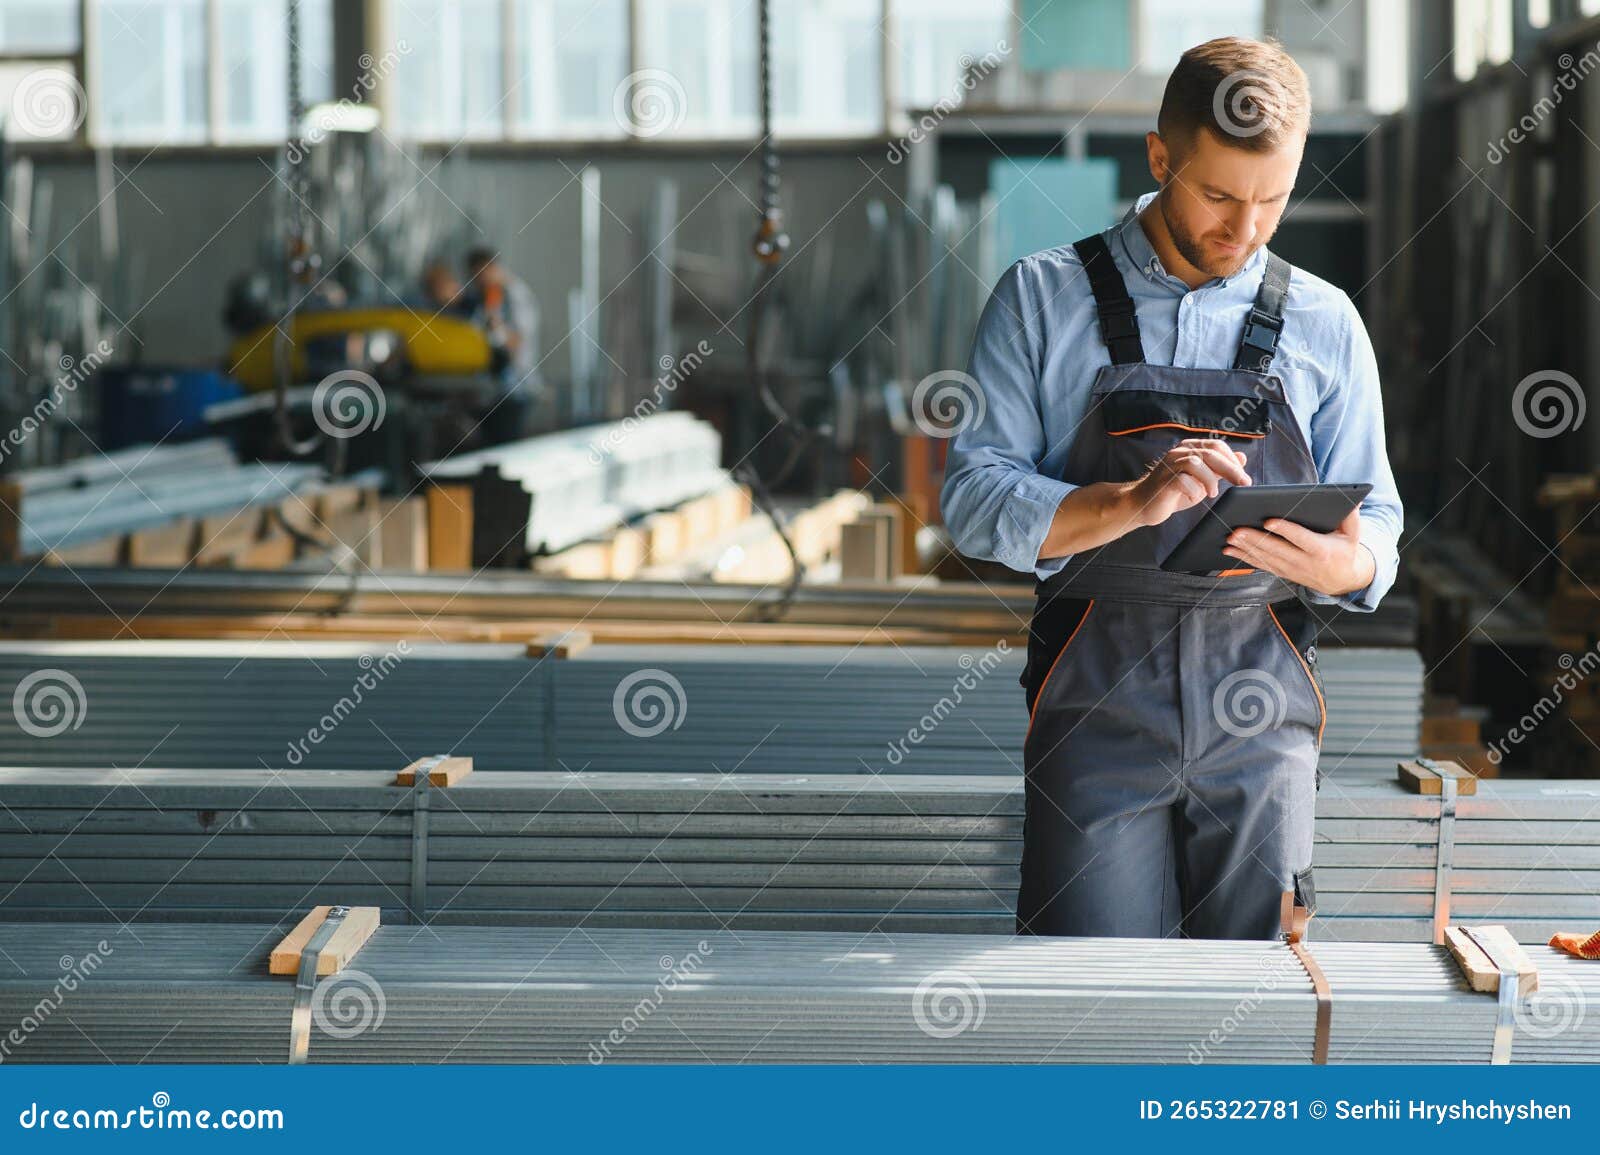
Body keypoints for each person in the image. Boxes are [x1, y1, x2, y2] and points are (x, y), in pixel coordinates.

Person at [940, 37, 1404, 941]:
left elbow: (1380, 518)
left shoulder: (1325, 321)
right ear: (1159, 158)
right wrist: (1125, 504)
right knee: (1091, 1004)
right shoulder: (1040, 299)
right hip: (1096, 708)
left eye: (1273, 199)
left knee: (1257, 1004)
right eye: (1220, 196)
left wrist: (1346, 562)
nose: (1246, 230)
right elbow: (972, 498)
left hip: (1261, 712)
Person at [464, 246, 540, 443]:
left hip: (514, 390)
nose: (478, 284)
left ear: (491, 269)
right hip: (490, 392)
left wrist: (496, 326)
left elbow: (518, 341)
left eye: (479, 277)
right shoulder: (486, 298)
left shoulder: (516, 296)